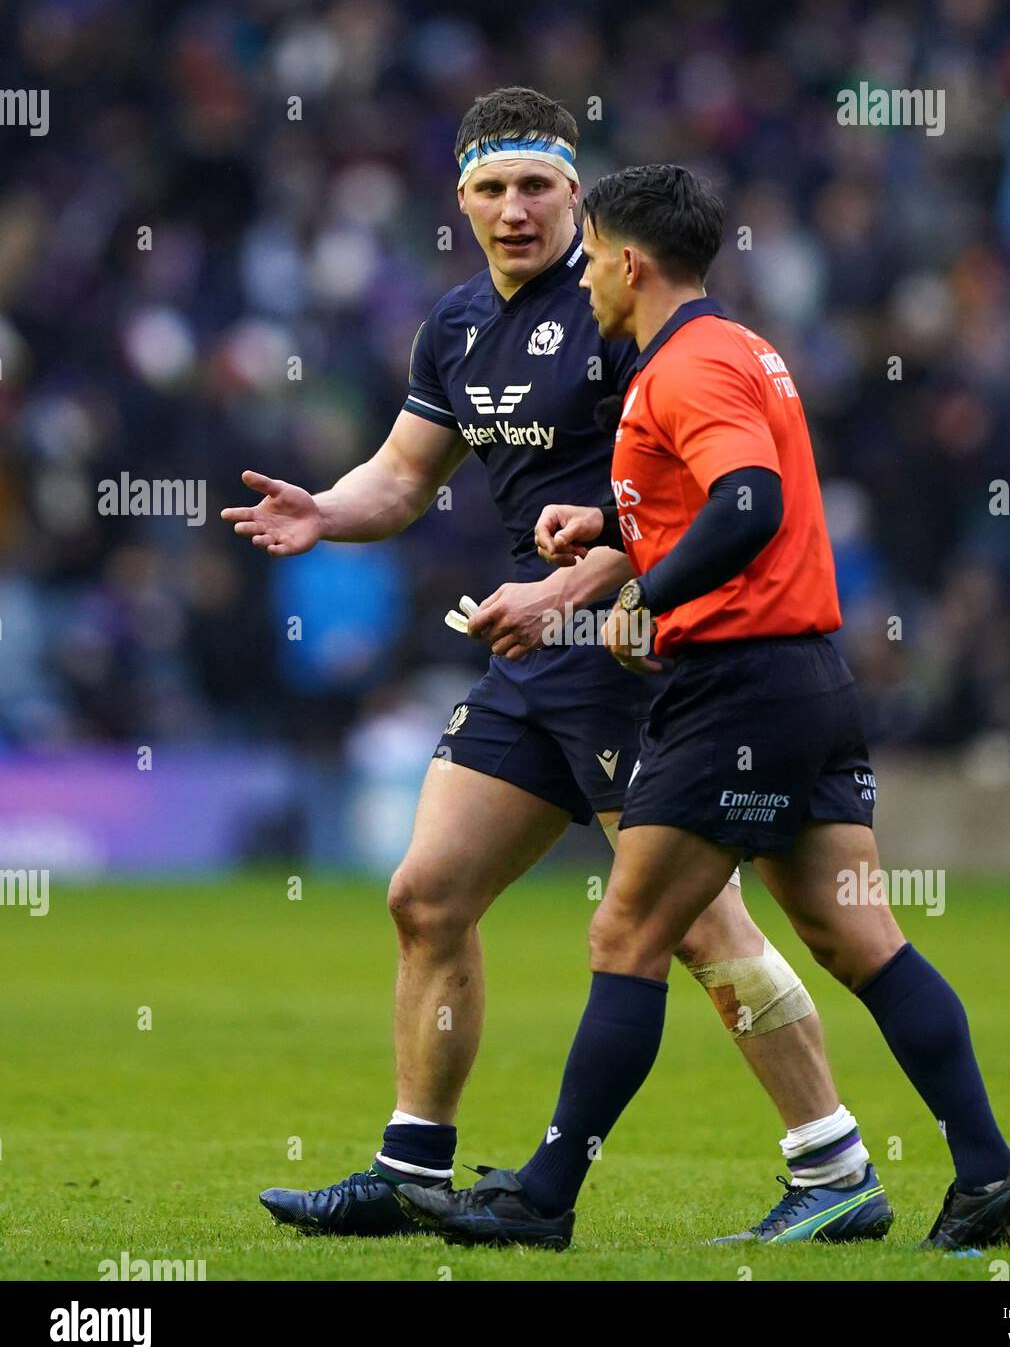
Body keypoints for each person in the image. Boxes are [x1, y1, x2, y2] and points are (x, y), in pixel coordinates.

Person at [221, 90, 890, 1244]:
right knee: (424, 895)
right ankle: (411, 1167)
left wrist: (590, 587)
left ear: (575, 194)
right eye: (490, 188)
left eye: (536, 186)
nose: (515, 209)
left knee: (696, 926)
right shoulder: (453, 325)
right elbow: (401, 474)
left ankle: (830, 1165)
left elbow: (692, 503)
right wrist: (319, 512)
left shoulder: (625, 307)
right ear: (460, 200)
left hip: (634, 652)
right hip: (528, 647)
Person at [397, 163, 1010, 1252]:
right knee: (857, 936)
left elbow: (749, 504)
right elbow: (716, 501)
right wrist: (606, 540)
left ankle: (544, 1196)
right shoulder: (742, 348)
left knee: (626, 932)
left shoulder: (680, 368)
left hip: (735, 687)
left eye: (593, 256)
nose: (585, 280)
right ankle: (986, 1173)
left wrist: (647, 596)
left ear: (626, 261)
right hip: (809, 680)